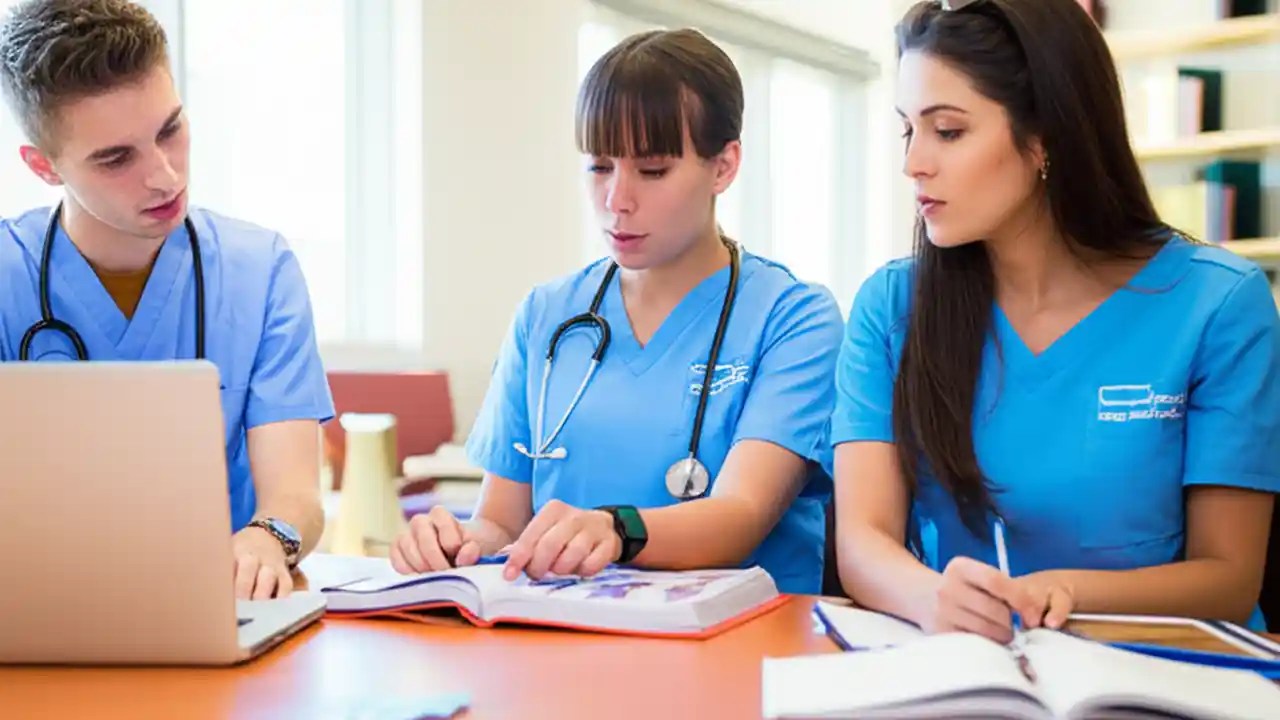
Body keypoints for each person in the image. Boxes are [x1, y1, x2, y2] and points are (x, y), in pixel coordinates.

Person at [831, 0, 1280, 639]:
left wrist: (1058, 593)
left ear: (1046, 136)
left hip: (1163, 677)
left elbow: (1227, 580)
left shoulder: (1219, 304)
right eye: (909, 130)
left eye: (949, 131)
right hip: (961, 670)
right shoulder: (890, 307)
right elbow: (862, 541)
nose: (914, 164)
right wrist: (935, 601)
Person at [390, 28, 844, 594]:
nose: (617, 200)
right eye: (600, 166)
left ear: (724, 166)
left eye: (652, 171)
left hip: (739, 654)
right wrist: (455, 543)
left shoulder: (792, 319)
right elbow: (502, 521)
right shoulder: (546, 315)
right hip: (565, 643)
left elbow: (741, 515)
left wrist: (614, 529)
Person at [0, 0, 333, 600]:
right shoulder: (8, 277)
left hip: (218, 612)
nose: (164, 176)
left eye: (170, 131)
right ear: (43, 167)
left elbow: (297, 498)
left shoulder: (260, 272)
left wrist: (267, 538)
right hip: (36, 616)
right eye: (116, 158)